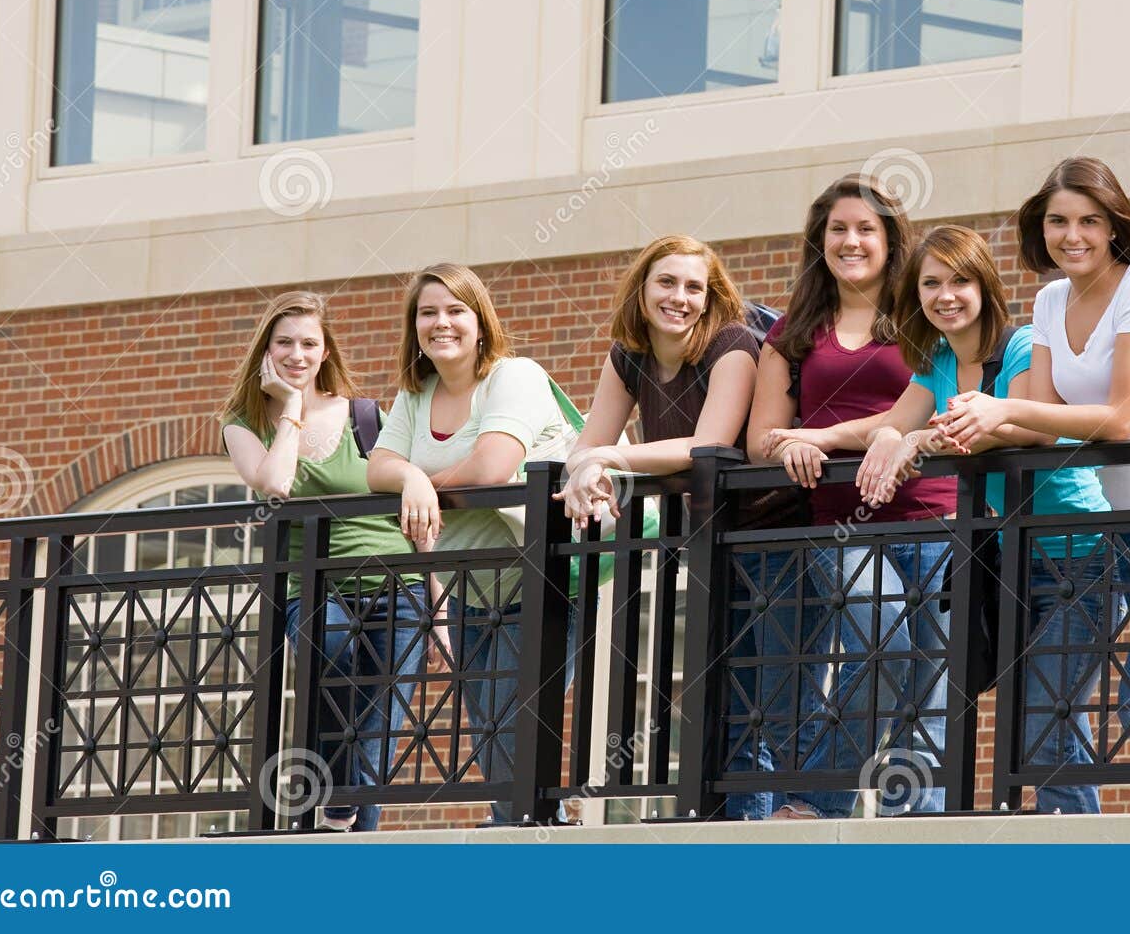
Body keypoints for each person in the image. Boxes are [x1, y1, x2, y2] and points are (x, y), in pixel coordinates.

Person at [932, 157, 1130, 811]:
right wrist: (952, 428)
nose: (1071, 234)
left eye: (1089, 220)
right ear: (1040, 226)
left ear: (1115, 226)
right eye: (1057, 220)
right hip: (1129, 525)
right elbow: (1047, 426)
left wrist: (1004, 408)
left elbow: (1119, 418)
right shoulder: (1051, 301)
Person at [852, 225, 1113, 814]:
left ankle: (1080, 853)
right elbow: (893, 421)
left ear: (984, 285)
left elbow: (1036, 427)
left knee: (1049, 721)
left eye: (960, 280)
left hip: (1082, 553)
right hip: (1015, 560)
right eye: (932, 283)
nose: (947, 295)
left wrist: (922, 438)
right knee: (1031, 719)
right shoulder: (937, 360)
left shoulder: (1019, 345)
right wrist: (896, 436)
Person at [555, 235, 786, 819]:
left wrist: (604, 460)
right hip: (702, 541)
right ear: (642, 288)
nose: (679, 298)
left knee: (762, 696)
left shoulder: (732, 344)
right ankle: (718, 821)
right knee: (717, 694)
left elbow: (706, 444)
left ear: (710, 299)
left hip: (772, 533)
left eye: (694, 288)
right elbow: (591, 444)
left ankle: (753, 830)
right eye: (667, 282)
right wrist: (586, 466)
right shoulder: (627, 354)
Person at [750, 173, 957, 818]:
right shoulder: (793, 332)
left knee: (932, 686)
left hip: (935, 514)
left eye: (866, 228)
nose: (851, 241)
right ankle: (816, 797)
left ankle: (920, 828)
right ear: (819, 241)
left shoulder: (925, 315)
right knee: (886, 643)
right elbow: (762, 436)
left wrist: (849, 434)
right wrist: (790, 446)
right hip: (843, 526)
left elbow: (933, 405)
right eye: (838, 229)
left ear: (892, 240)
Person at [366, 262, 575, 822]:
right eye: (428, 313)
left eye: (456, 310)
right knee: (486, 724)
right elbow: (378, 466)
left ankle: (525, 830)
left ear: (481, 322)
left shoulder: (516, 376)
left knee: (515, 715)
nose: (442, 323)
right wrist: (409, 479)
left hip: (551, 574)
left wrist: (421, 484)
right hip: (473, 587)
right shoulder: (417, 397)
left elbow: (493, 465)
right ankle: (523, 823)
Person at [221, 290, 426, 832]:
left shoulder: (364, 415)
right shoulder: (243, 424)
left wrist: (442, 602)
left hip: (398, 581)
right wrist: (290, 408)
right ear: (265, 351)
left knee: (380, 715)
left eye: (310, 343)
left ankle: (344, 830)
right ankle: (336, 807)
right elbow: (275, 484)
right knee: (333, 677)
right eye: (284, 342)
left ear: (326, 350)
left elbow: (411, 504)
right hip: (313, 589)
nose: (297, 354)